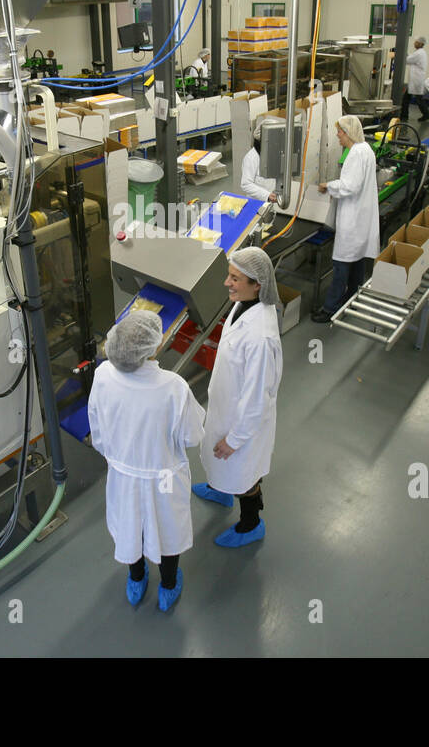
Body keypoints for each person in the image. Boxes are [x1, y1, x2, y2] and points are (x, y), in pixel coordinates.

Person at [88, 311, 206, 611]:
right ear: (154, 347)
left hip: (123, 474)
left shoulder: (102, 375)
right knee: (167, 530)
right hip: (164, 478)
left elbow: (97, 426)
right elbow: (192, 436)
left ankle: (136, 579)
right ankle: (168, 585)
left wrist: (118, 457)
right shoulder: (173, 387)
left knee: (131, 527)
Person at [193, 247, 284, 547]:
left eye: (235, 278)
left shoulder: (260, 337)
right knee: (222, 464)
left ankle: (250, 524)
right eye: (229, 275)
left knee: (245, 476)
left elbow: (256, 398)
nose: (226, 283)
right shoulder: (246, 302)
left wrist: (234, 440)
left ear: (257, 283)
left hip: (243, 422)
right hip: (226, 408)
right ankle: (220, 489)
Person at [310, 116, 380, 323]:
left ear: (348, 132)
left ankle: (330, 309)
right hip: (362, 217)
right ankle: (352, 299)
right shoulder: (366, 149)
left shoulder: (356, 153)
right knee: (357, 262)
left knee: (341, 265)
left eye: (340, 131)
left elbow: (350, 186)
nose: (338, 135)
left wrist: (328, 186)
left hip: (353, 218)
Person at [239, 124, 277, 202]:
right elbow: (246, 184)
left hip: (273, 199)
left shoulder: (274, 153)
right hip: (257, 202)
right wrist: (267, 195)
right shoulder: (251, 158)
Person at [400, 37, 429, 121]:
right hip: (416, 80)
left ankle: (405, 116)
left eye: (416, 42)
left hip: (416, 81)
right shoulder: (420, 53)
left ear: (421, 44)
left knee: (411, 99)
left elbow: (407, 60)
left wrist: (403, 53)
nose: (414, 44)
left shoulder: (419, 53)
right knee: (411, 98)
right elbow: (410, 59)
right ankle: (425, 114)